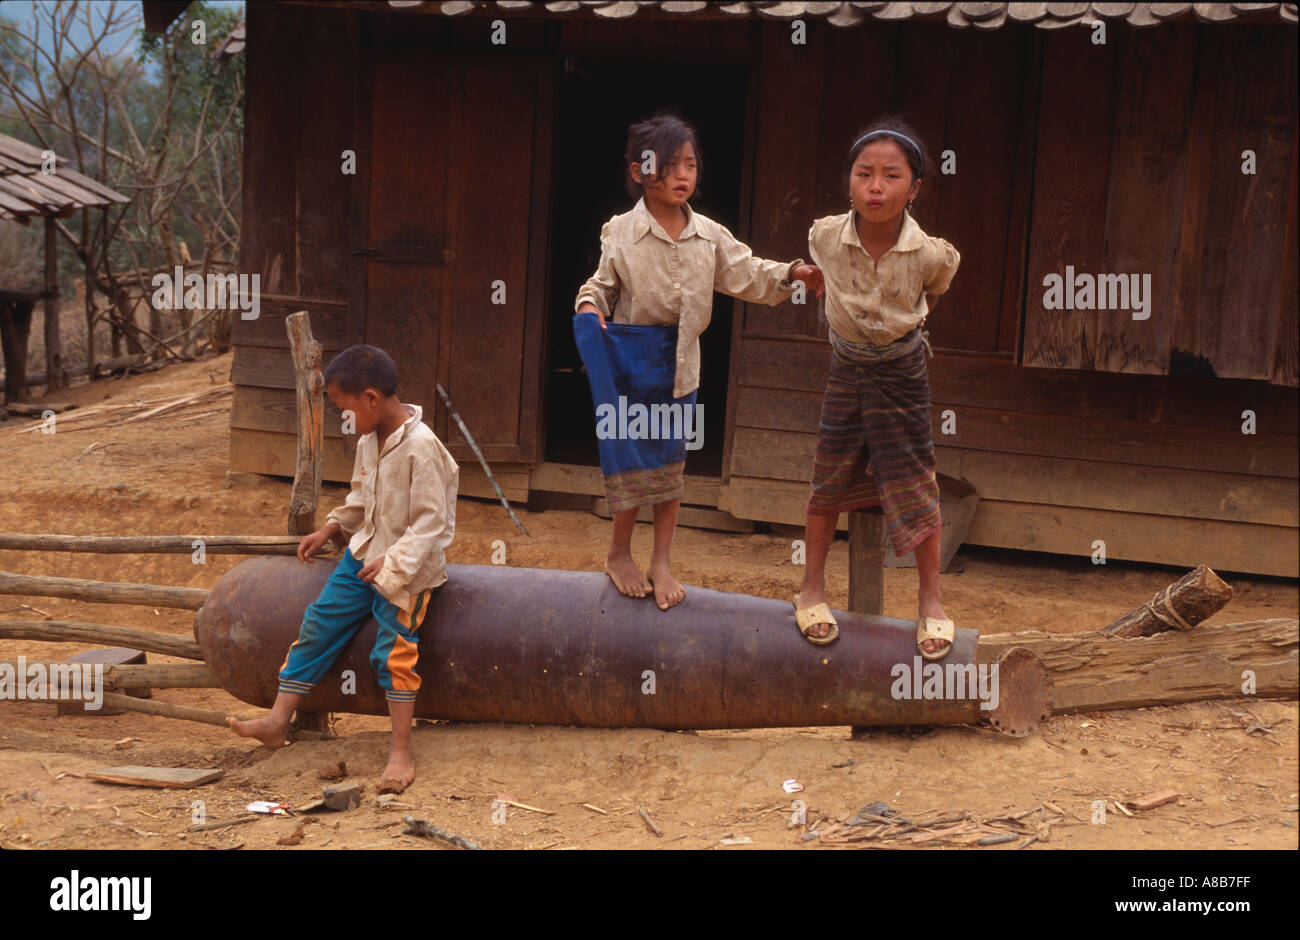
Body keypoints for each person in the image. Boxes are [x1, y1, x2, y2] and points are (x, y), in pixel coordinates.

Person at [574, 110, 823, 610]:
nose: (682, 174)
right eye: (668, 165)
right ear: (639, 171)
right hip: (630, 362)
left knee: (670, 464)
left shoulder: (710, 235)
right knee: (630, 461)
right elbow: (600, 285)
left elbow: (746, 271)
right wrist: (588, 307)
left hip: (681, 364)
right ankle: (618, 552)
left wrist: (792, 272)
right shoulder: (620, 232)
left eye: (689, 163)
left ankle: (661, 561)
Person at [227, 344, 458, 793]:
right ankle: (277, 719)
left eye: (342, 406)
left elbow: (432, 523)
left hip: (407, 569)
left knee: (393, 651)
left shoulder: (423, 448)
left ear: (371, 398)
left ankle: (399, 750)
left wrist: (393, 562)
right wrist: (334, 526)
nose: (342, 417)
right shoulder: (370, 440)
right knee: (319, 624)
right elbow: (361, 496)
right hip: (361, 554)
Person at [792, 116, 961, 659]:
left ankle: (931, 601)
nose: (875, 187)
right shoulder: (824, 237)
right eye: (864, 174)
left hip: (903, 372)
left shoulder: (931, 254)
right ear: (849, 182)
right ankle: (811, 588)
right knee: (829, 475)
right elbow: (821, 281)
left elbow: (935, 290)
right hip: (846, 368)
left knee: (916, 479)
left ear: (914, 189)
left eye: (891, 176)